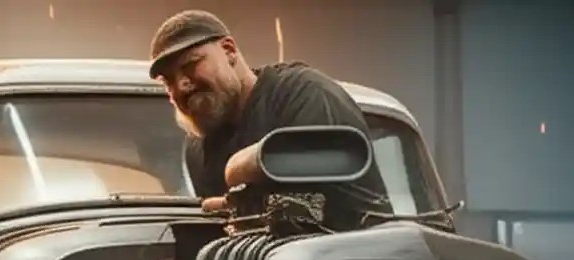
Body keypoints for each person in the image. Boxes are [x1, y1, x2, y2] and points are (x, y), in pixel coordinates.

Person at [148, 10, 392, 228]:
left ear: (229, 51)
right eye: (168, 80)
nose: (181, 85)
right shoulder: (198, 147)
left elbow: (318, 210)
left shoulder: (304, 94)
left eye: (191, 64)